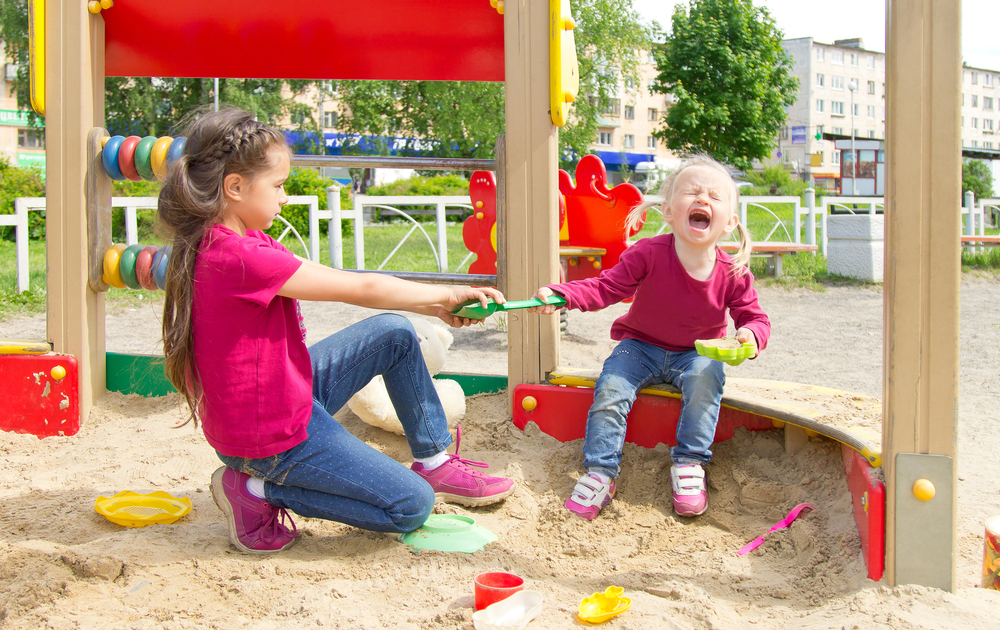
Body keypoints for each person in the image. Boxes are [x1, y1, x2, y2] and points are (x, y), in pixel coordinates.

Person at [157, 108, 514, 554]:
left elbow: (346, 280)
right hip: (269, 440)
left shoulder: (241, 240)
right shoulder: (237, 257)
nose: (284, 197)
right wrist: (444, 297)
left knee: (395, 334)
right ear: (235, 187)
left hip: (283, 397)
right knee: (410, 506)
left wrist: (437, 306)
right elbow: (357, 287)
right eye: (279, 185)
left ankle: (434, 459)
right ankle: (254, 491)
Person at [528, 154, 770, 519]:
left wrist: (749, 336)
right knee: (611, 388)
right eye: (691, 192)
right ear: (669, 211)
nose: (703, 199)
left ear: (730, 222)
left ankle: (689, 463)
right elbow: (607, 286)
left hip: (696, 353)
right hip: (640, 347)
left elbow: (754, 317)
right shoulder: (648, 253)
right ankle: (601, 472)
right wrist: (565, 295)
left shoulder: (732, 271)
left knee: (708, 378)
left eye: (714, 197)